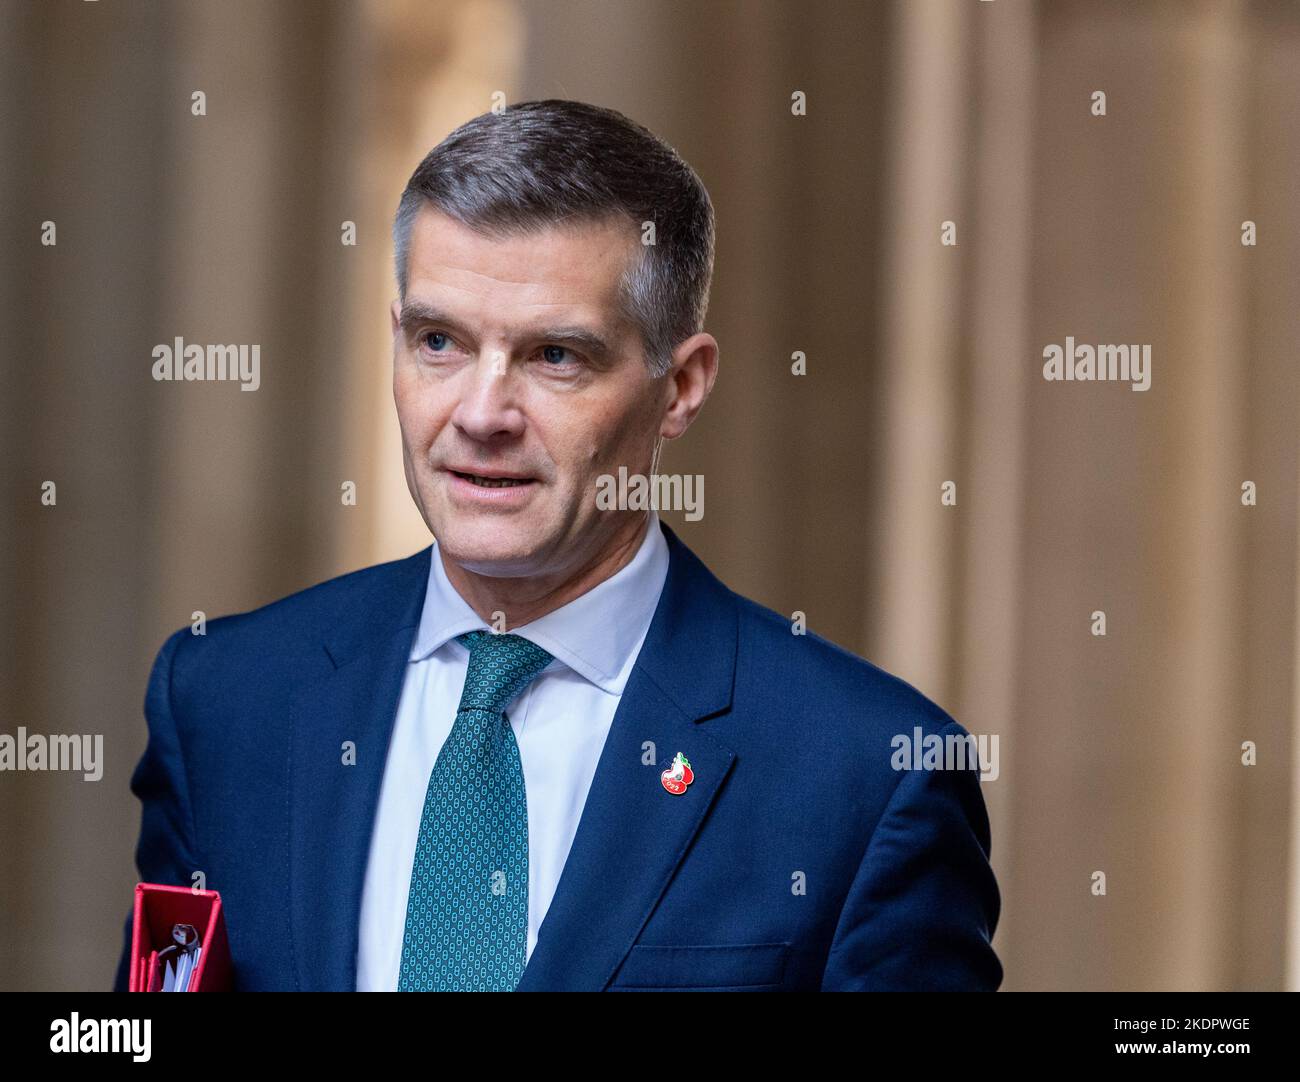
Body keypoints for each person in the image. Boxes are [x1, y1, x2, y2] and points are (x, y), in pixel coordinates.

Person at [113, 99, 1001, 992]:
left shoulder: (870, 775)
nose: (481, 414)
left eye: (554, 357)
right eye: (438, 342)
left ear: (681, 386)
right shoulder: (225, 701)